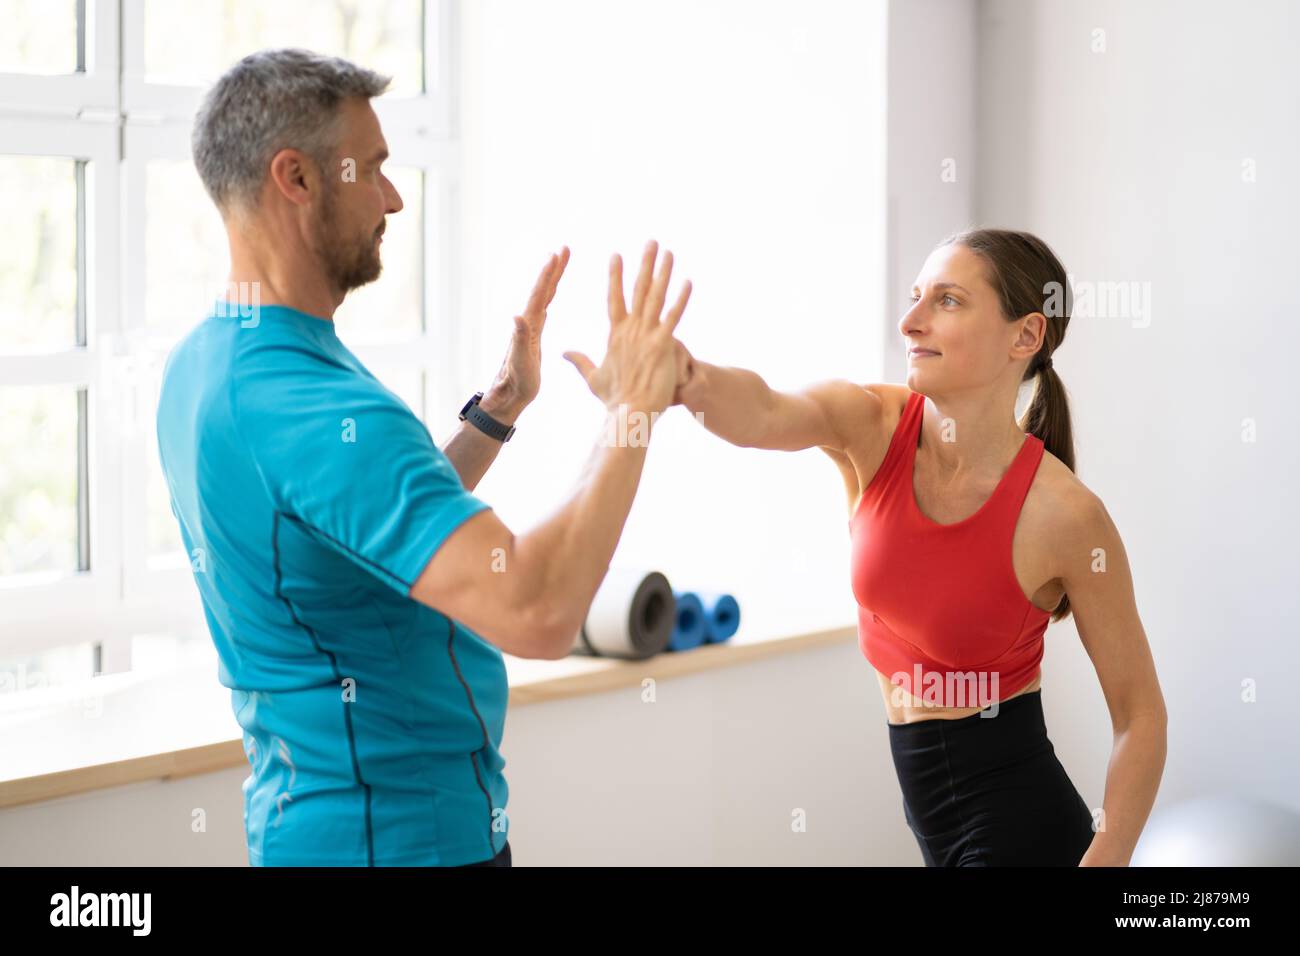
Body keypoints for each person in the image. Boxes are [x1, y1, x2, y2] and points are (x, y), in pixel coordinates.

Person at [156, 48, 691, 866]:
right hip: (403, 844)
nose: (393, 198)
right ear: (296, 179)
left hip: (310, 829)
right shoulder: (311, 404)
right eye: (371, 169)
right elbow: (540, 608)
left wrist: (496, 414)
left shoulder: (210, 363)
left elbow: (348, 537)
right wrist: (632, 414)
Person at [663, 229, 1168, 866]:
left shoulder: (1065, 515)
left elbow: (1140, 714)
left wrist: (1107, 861)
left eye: (948, 301)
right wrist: (684, 377)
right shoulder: (868, 426)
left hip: (1018, 823)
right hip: (931, 818)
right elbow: (761, 411)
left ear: (1025, 336)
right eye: (914, 297)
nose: (910, 321)